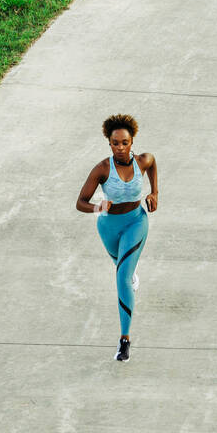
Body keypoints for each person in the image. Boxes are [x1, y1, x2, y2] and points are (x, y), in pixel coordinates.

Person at [75, 114, 159, 361]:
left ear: (132, 141)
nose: (120, 148)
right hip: (108, 228)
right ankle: (130, 273)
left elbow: (153, 163)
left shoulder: (142, 162)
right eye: (115, 143)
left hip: (135, 221)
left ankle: (124, 341)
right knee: (123, 269)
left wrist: (155, 193)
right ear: (109, 143)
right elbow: (80, 202)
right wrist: (98, 208)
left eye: (125, 142)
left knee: (121, 277)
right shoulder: (102, 169)